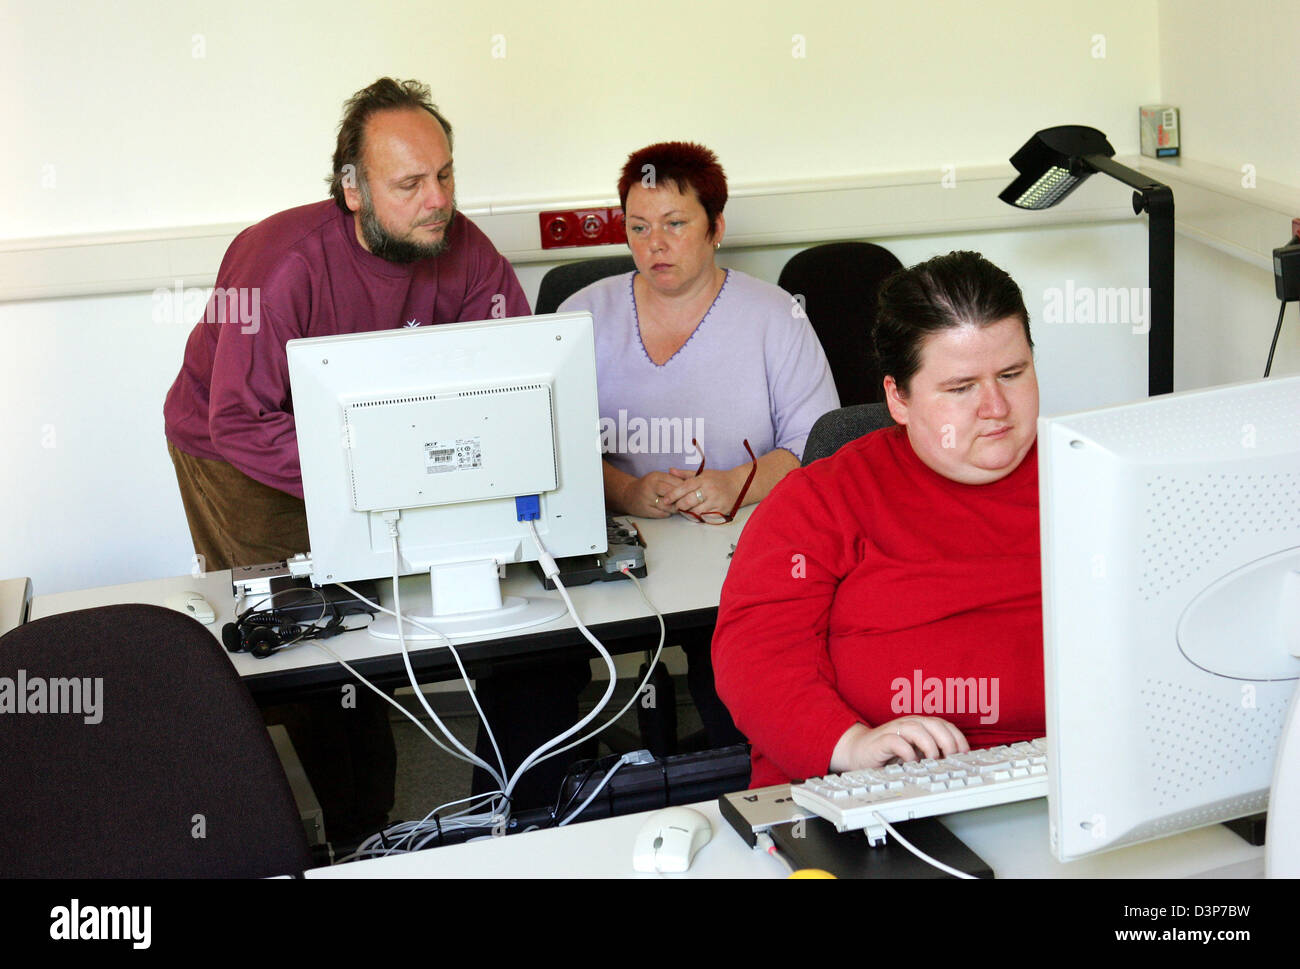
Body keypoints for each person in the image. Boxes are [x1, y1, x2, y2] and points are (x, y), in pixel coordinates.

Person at [163, 77, 530, 847]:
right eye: (410, 184)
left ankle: (437, 817)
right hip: (240, 452)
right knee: (309, 639)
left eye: (446, 174)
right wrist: (385, 469)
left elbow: (516, 370)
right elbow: (240, 420)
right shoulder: (285, 263)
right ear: (353, 190)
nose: (438, 199)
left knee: (409, 612)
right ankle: (346, 835)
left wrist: (444, 462)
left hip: (374, 445)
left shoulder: (462, 246)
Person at [711, 250, 1045, 788]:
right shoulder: (822, 500)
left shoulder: (1093, 477)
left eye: (1012, 373)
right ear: (899, 398)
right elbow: (755, 655)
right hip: (871, 789)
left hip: (1059, 779)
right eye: (961, 388)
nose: (996, 407)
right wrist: (850, 744)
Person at [560, 141, 839, 522]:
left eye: (675, 223)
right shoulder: (581, 315)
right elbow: (554, 443)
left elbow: (819, 443)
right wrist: (626, 492)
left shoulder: (777, 315)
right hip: (621, 535)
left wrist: (737, 484)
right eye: (639, 227)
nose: (655, 243)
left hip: (749, 528)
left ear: (716, 227)